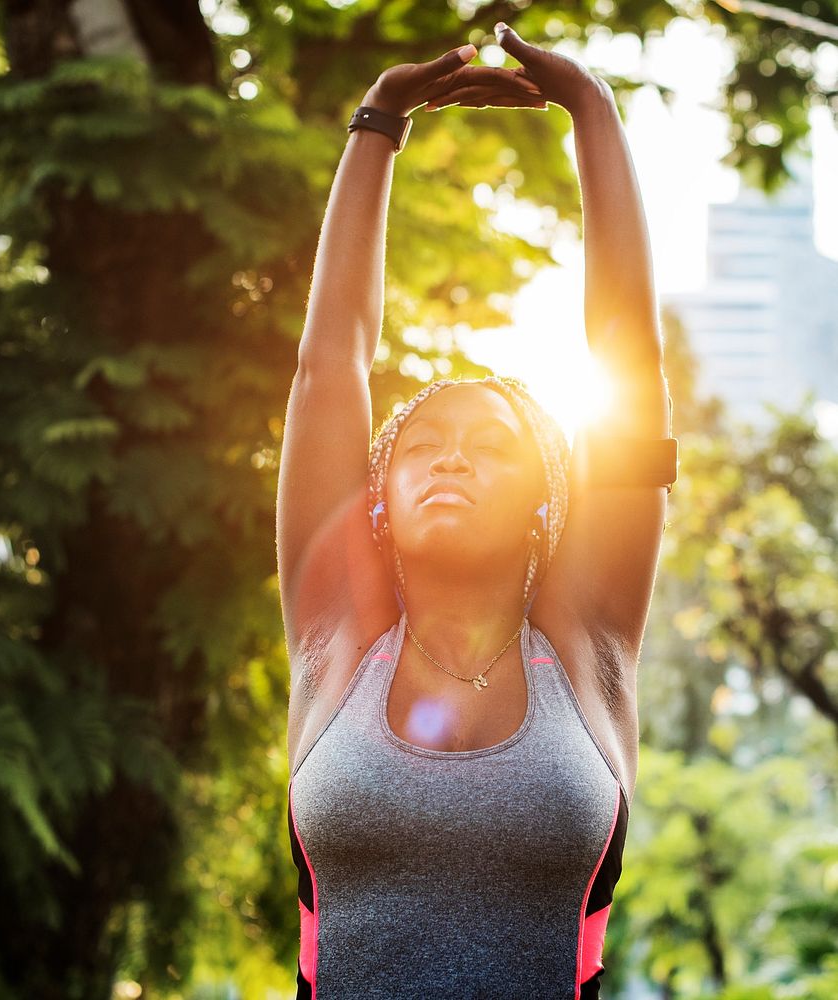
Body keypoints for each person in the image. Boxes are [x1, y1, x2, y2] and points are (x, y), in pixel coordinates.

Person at [275, 19, 678, 999]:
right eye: (421, 445)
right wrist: (378, 120)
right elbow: (331, 362)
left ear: (548, 502)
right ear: (376, 501)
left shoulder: (588, 646)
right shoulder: (339, 637)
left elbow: (628, 353)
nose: (450, 457)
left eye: (492, 446)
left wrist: (594, 112)